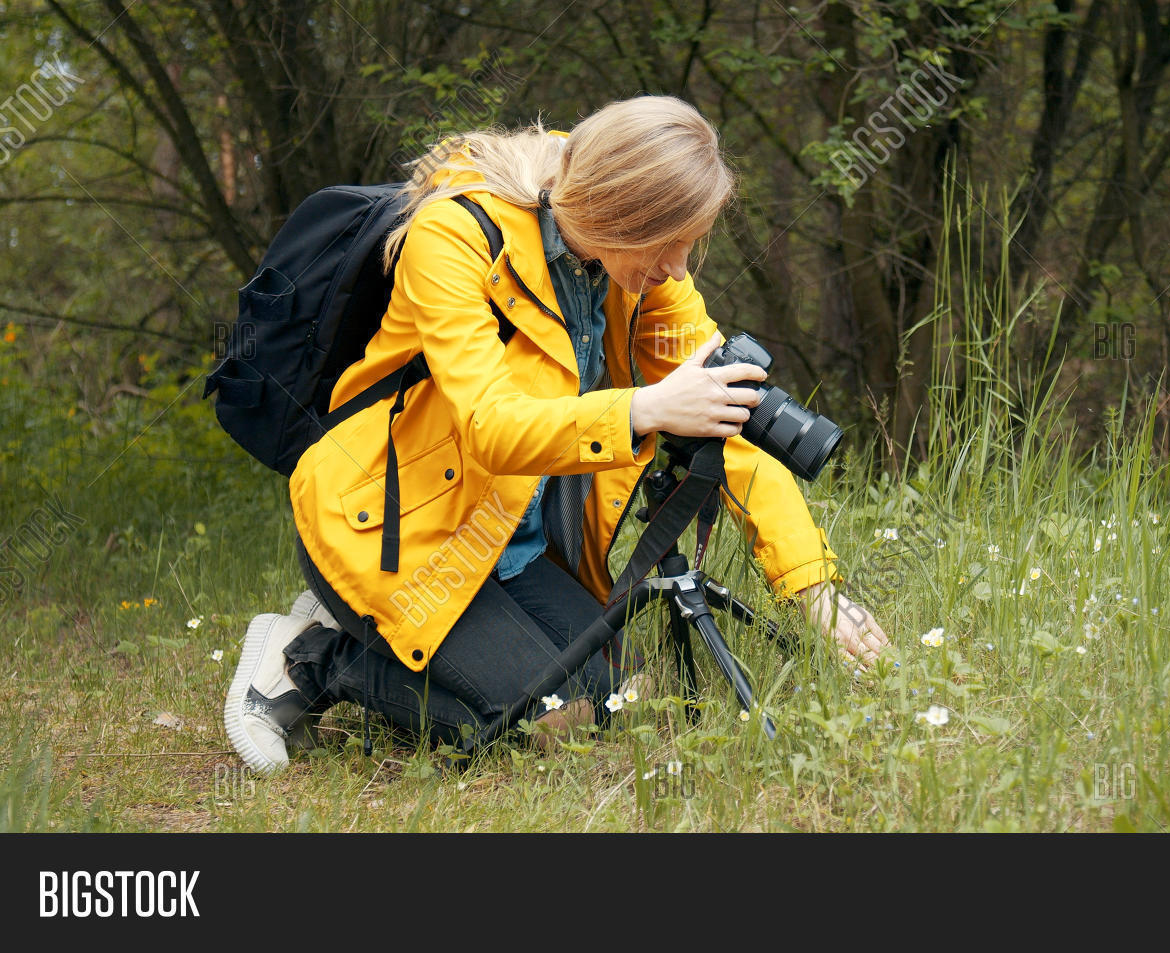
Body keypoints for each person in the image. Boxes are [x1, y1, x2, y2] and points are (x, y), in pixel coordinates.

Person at [223, 95, 889, 774]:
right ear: (622, 212)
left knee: (608, 702)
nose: (681, 268)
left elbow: (726, 416)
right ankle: (315, 657)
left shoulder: (638, 272)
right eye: (671, 242)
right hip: (392, 532)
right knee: (542, 721)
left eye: (692, 242)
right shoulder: (454, 238)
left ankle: (389, 639)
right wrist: (645, 408)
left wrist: (814, 590)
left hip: (508, 542)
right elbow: (491, 426)